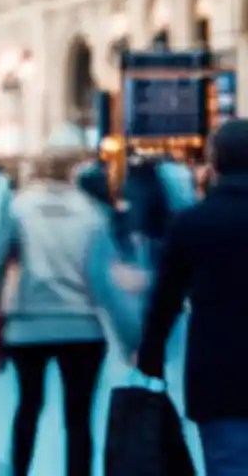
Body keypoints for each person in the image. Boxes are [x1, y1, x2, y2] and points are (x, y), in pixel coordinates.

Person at [0, 155, 110, 476]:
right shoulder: (92, 210)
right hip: (83, 324)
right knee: (79, 417)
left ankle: (21, 469)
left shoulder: (18, 205)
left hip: (29, 323)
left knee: (28, 406)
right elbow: (103, 273)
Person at [140, 119, 248, 476]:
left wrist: (150, 357)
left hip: (217, 375)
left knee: (227, 464)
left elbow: (165, 301)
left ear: (214, 164)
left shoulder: (192, 223)